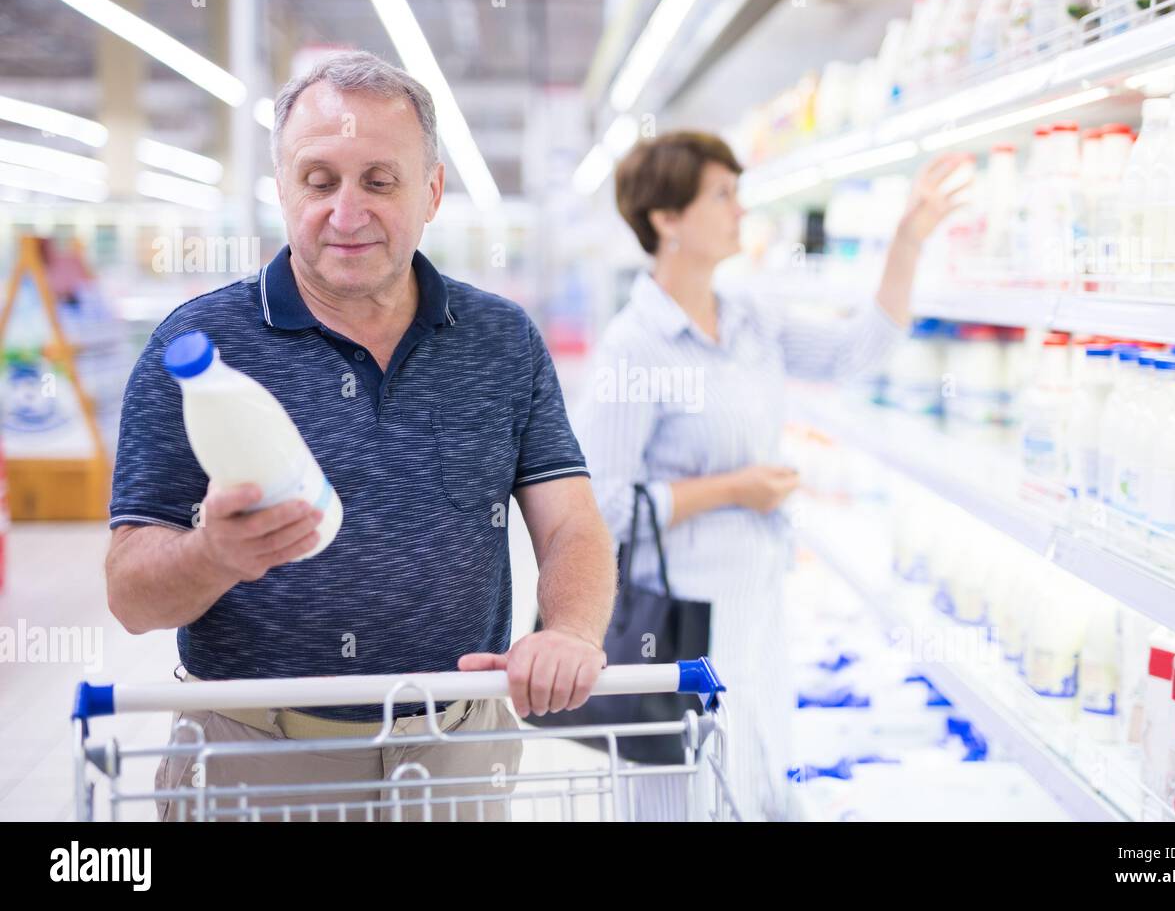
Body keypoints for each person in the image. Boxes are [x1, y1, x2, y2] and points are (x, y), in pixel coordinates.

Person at [105, 50, 615, 821]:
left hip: (456, 755)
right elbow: (131, 595)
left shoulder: (501, 339)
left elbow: (572, 521)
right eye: (319, 181)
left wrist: (571, 630)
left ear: (432, 191)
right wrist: (210, 557)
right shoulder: (199, 350)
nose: (347, 213)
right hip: (259, 762)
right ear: (283, 189)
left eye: (380, 181)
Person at [577, 131, 969, 820]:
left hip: (755, 610)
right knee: (686, 798)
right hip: (679, 626)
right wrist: (732, 490)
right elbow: (600, 507)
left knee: (754, 788)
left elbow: (857, 351)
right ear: (667, 220)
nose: (740, 210)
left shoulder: (753, 317)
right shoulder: (634, 346)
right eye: (722, 195)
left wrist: (908, 240)